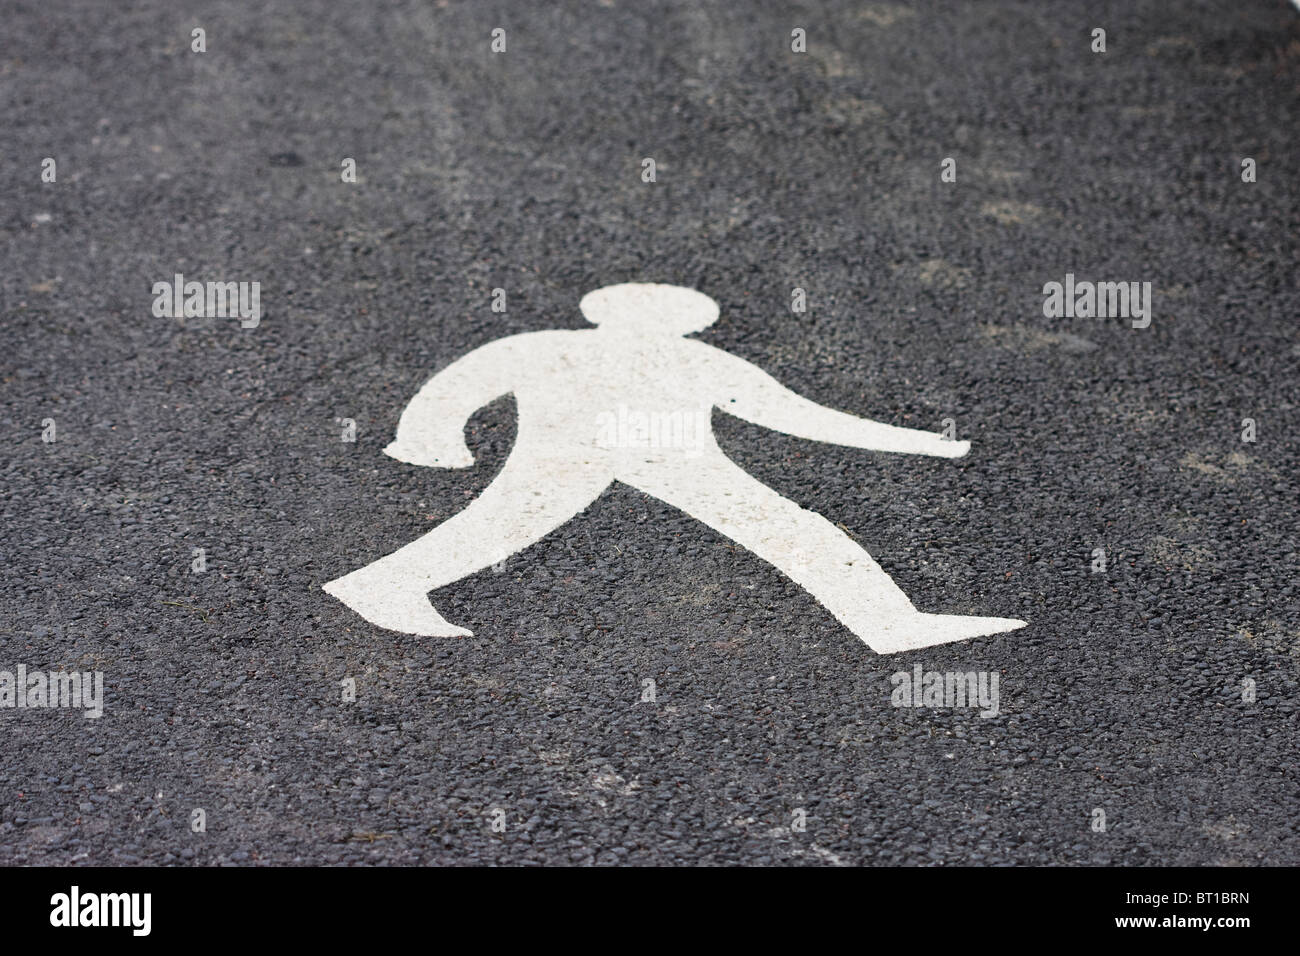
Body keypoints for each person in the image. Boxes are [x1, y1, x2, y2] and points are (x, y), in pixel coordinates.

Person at [324, 283, 1026, 653]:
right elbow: (468, 383)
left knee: (796, 531)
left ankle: (892, 624)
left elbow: (796, 415)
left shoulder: (700, 361)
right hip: (577, 452)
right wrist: (431, 438)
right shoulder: (561, 348)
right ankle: (381, 585)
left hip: (668, 455)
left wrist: (926, 445)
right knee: (500, 527)